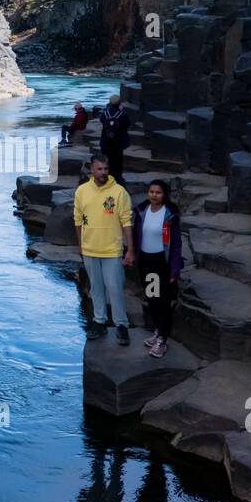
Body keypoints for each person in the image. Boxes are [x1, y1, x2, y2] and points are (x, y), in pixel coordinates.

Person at [74, 153, 134, 345]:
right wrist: (80, 246)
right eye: (99, 169)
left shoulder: (119, 192)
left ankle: (121, 326)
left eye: (106, 169)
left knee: (115, 288)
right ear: (91, 169)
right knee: (96, 289)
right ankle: (99, 323)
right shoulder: (82, 191)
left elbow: (126, 221)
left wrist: (130, 249)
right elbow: (78, 221)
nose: (103, 173)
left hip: (111, 250)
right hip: (90, 248)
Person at [132, 179, 184, 359]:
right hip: (146, 262)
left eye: (158, 192)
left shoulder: (169, 214)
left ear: (164, 195)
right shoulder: (142, 211)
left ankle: (163, 339)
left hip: (161, 263)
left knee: (163, 302)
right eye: (151, 191)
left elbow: (176, 244)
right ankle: (157, 331)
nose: (154, 195)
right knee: (152, 298)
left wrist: (174, 269)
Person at [99, 94, 130, 185]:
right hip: (118, 143)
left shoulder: (105, 113)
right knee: (117, 163)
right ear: (119, 103)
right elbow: (127, 125)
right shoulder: (123, 114)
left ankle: (105, 179)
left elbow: (102, 121)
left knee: (105, 162)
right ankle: (117, 180)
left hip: (105, 142)